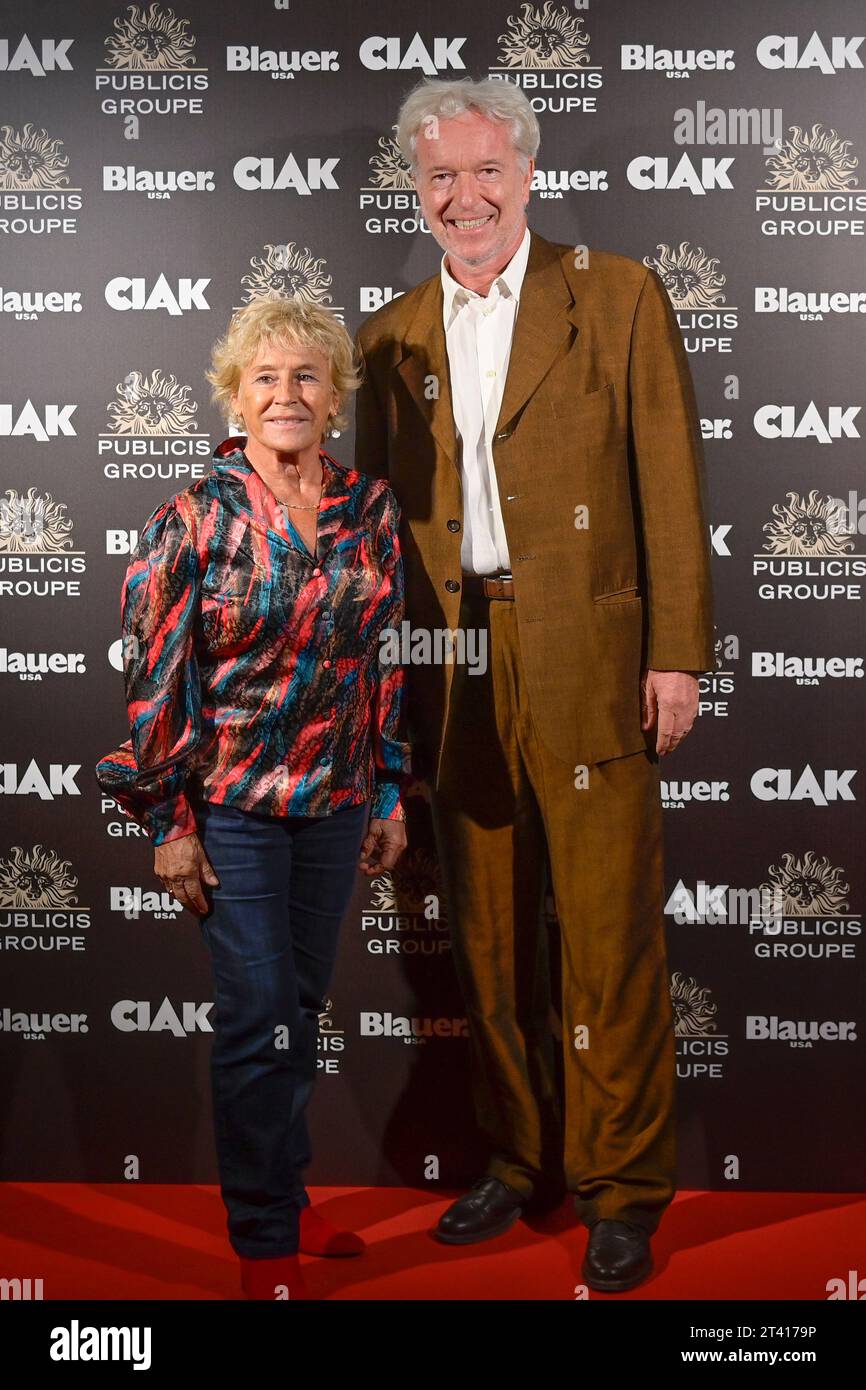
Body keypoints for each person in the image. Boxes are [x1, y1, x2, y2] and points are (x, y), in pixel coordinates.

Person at [353, 77, 715, 1293]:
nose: (464, 196)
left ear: (525, 174)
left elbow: (668, 482)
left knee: (608, 939)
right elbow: (369, 540)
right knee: (489, 941)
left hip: (594, 658)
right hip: (453, 667)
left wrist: (677, 653)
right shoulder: (386, 336)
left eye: (484, 172)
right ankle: (517, 1157)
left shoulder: (613, 295)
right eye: (439, 177)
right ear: (417, 191)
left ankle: (621, 1188)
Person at [95, 296, 411, 1300]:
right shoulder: (190, 516)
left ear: (334, 398)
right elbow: (155, 681)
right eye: (265, 377)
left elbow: (380, 665)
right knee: (257, 1015)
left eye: (306, 376)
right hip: (230, 803)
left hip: (338, 801)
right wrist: (167, 821)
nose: (286, 393)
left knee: (301, 1008)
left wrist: (389, 792)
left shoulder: (370, 509)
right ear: (234, 394)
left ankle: (283, 1182)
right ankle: (265, 1235)